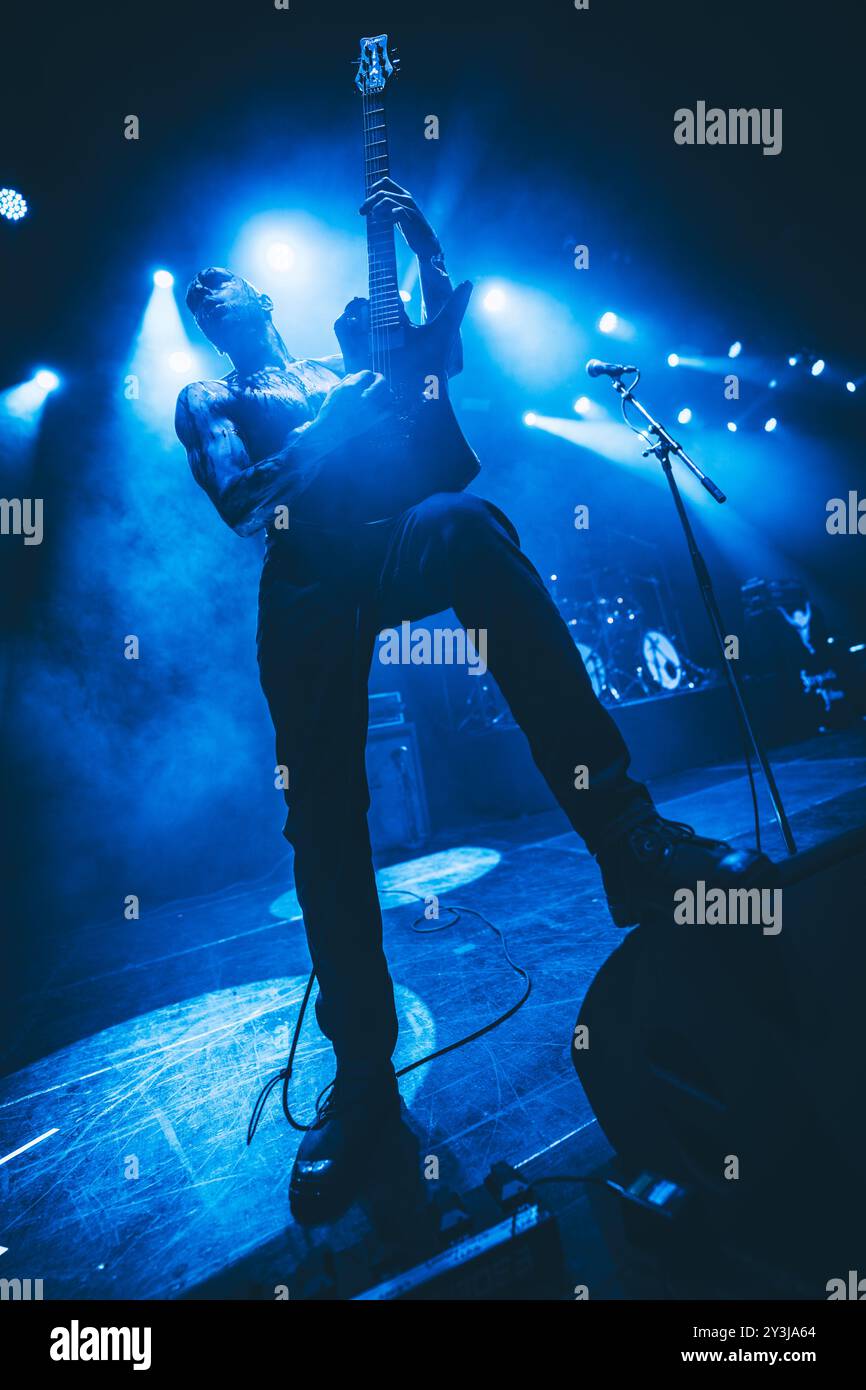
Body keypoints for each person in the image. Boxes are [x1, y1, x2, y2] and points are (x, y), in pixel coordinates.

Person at [176, 177, 769, 1215]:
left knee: (468, 521)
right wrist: (325, 431)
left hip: (381, 542)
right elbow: (237, 501)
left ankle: (628, 840)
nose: (214, 290)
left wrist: (415, 231)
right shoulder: (212, 401)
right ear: (205, 326)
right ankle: (363, 1073)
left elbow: (434, 344)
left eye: (228, 281)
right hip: (302, 581)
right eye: (201, 294)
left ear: (264, 300)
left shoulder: (330, 360)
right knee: (322, 811)